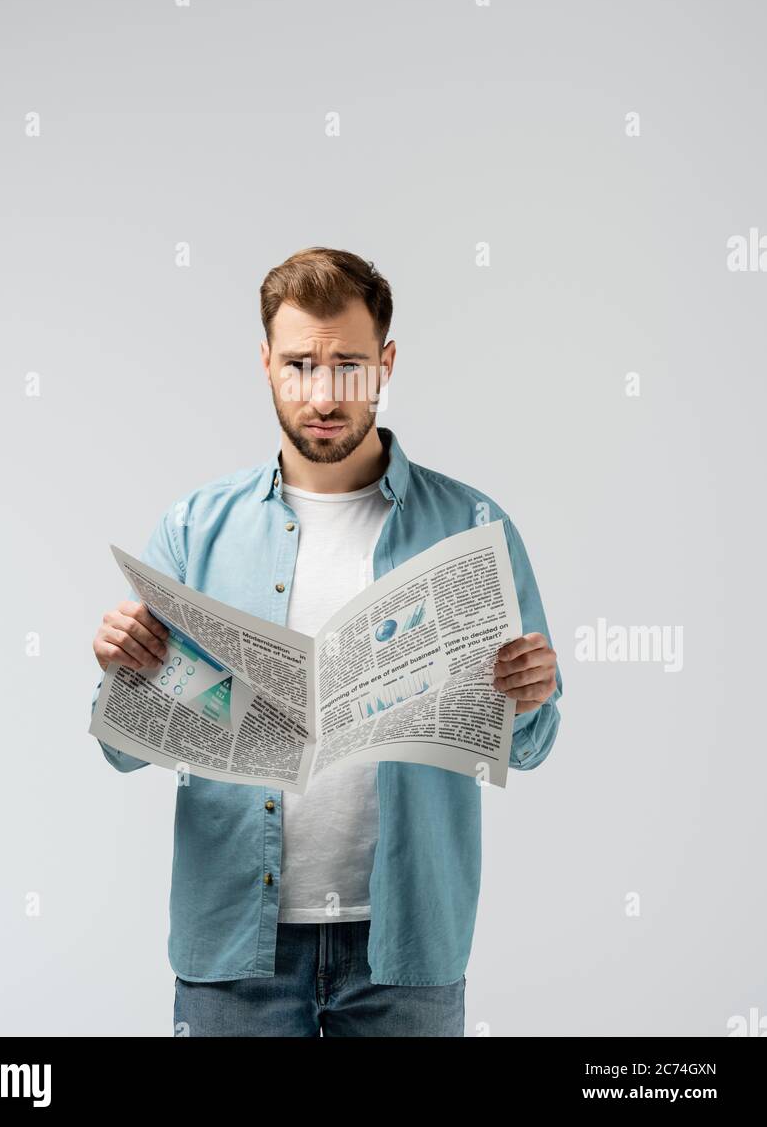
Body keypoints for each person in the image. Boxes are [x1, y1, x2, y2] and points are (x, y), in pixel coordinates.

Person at [91, 246, 562, 1037]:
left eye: (347, 364)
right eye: (298, 363)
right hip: (234, 950)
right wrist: (124, 672)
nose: (322, 392)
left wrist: (530, 695)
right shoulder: (194, 530)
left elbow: (533, 745)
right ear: (266, 366)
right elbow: (122, 752)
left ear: (385, 365)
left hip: (405, 948)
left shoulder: (471, 528)